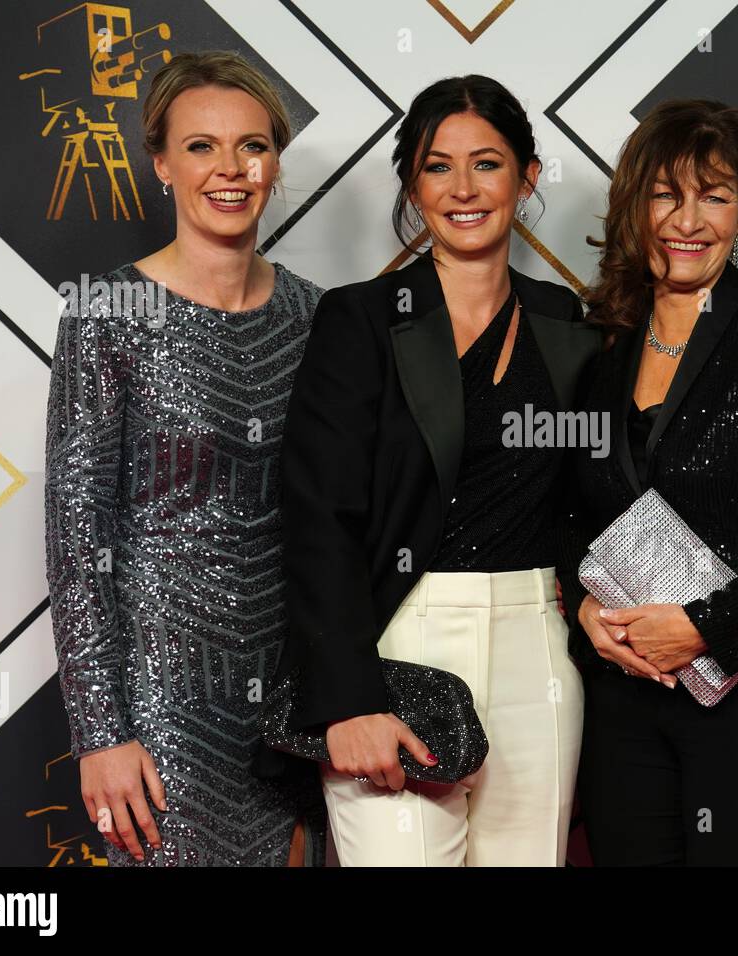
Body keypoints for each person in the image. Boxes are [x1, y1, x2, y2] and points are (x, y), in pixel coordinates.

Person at [264, 75, 600, 866]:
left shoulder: (565, 321)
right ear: (412, 184)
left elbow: (592, 495)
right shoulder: (361, 319)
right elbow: (319, 517)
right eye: (436, 166)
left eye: (486, 163)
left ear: (528, 176)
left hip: (537, 644)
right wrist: (347, 699)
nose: (463, 188)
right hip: (402, 638)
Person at [44, 51, 326, 866]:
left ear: (274, 161)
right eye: (201, 147)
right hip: (159, 696)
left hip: (290, 700)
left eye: (252, 146)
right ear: (161, 163)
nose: (230, 170)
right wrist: (101, 729)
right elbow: (76, 537)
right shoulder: (107, 311)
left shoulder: (317, 316)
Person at [563, 99, 738, 865]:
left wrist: (707, 624)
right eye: (665, 194)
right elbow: (566, 513)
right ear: (633, 205)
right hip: (625, 690)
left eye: (714, 196)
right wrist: (586, 609)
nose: (687, 220)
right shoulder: (600, 344)